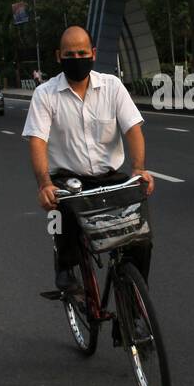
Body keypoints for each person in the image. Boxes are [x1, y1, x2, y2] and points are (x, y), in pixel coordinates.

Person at [23, 26, 154, 294]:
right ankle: (65, 266)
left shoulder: (112, 87)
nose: (77, 57)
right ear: (59, 56)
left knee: (140, 237)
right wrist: (44, 183)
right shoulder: (45, 94)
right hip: (68, 179)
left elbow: (133, 129)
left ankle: (134, 307)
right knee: (60, 211)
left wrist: (139, 169)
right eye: (70, 53)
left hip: (109, 177)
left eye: (82, 52)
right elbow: (38, 141)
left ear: (93, 53)